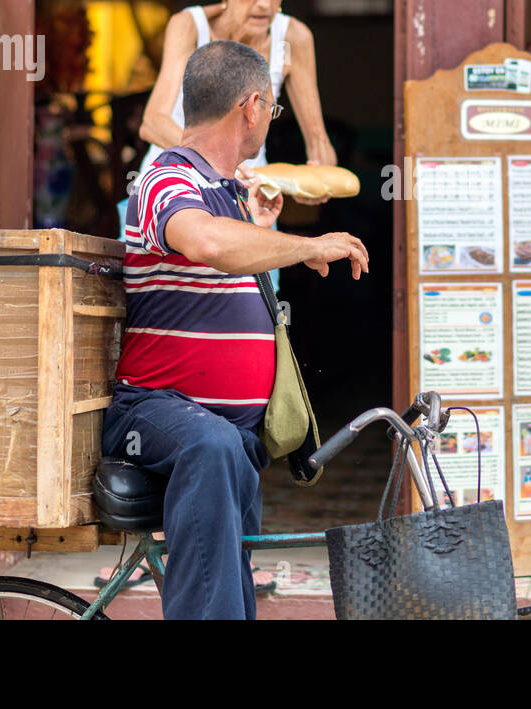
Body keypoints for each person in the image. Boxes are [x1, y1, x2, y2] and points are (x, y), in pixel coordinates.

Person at [102, 40, 368, 619]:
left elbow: (226, 252)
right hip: (156, 412)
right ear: (251, 108)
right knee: (214, 446)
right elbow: (207, 242)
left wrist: (263, 231)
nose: (268, 120)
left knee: (235, 582)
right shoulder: (165, 178)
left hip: (226, 433)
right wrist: (304, 245)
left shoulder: (227, 193)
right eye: (273, 110)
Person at [125, 0, 336, 293]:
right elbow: (154, 123)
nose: (265, 3)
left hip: (249, 202)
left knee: (255, 315)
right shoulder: (189, 27)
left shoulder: (294, 38)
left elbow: (318, 142)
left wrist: (320, 177)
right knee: (162, 309)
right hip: (173, 195)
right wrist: (221, 169)